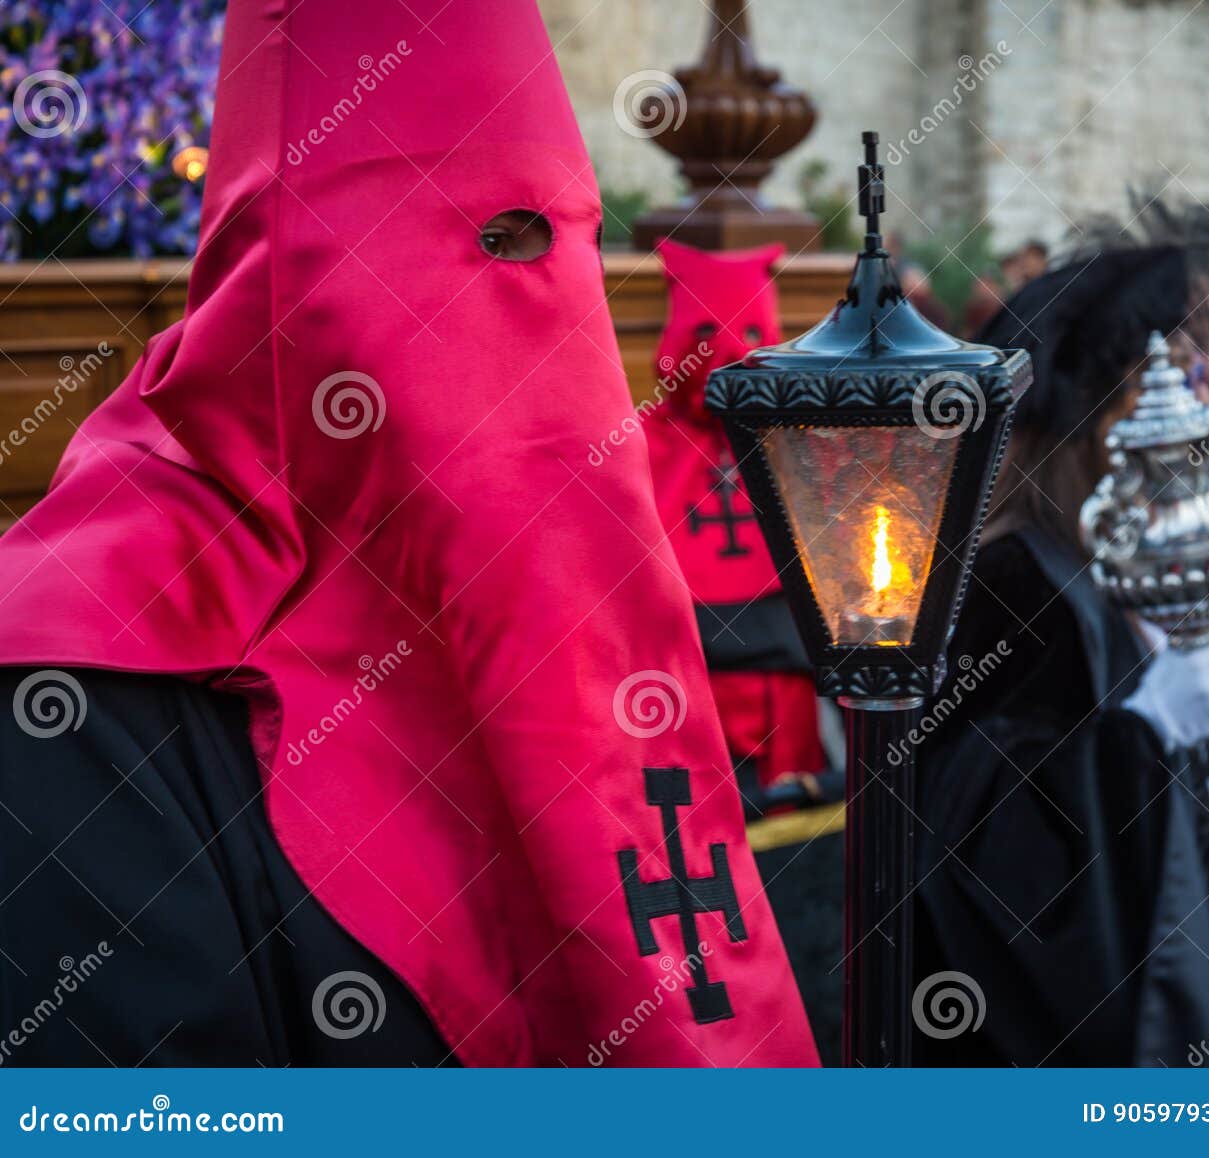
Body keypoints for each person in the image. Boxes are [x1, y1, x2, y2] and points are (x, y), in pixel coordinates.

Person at [0, 0, 817, 1067]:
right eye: (485, 243)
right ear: (282, 277)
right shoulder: (66, 687)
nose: (538, 311)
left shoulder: (541, 583)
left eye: (557, 248)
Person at [912, 234, 1209, 1067]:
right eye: (1164, 385)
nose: (1208, 417)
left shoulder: (1146, 561)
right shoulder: (1014, 581)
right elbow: (986, 844)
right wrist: (1146, 733)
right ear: (1097, 415)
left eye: (1200, 379)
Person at [641, 240, 827, 811]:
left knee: (793, 824)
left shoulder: (797, 439)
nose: (727, 353)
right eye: (705, 335)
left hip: (785, 681)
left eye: (747, 334)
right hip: (683, 680)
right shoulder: (639, 443)